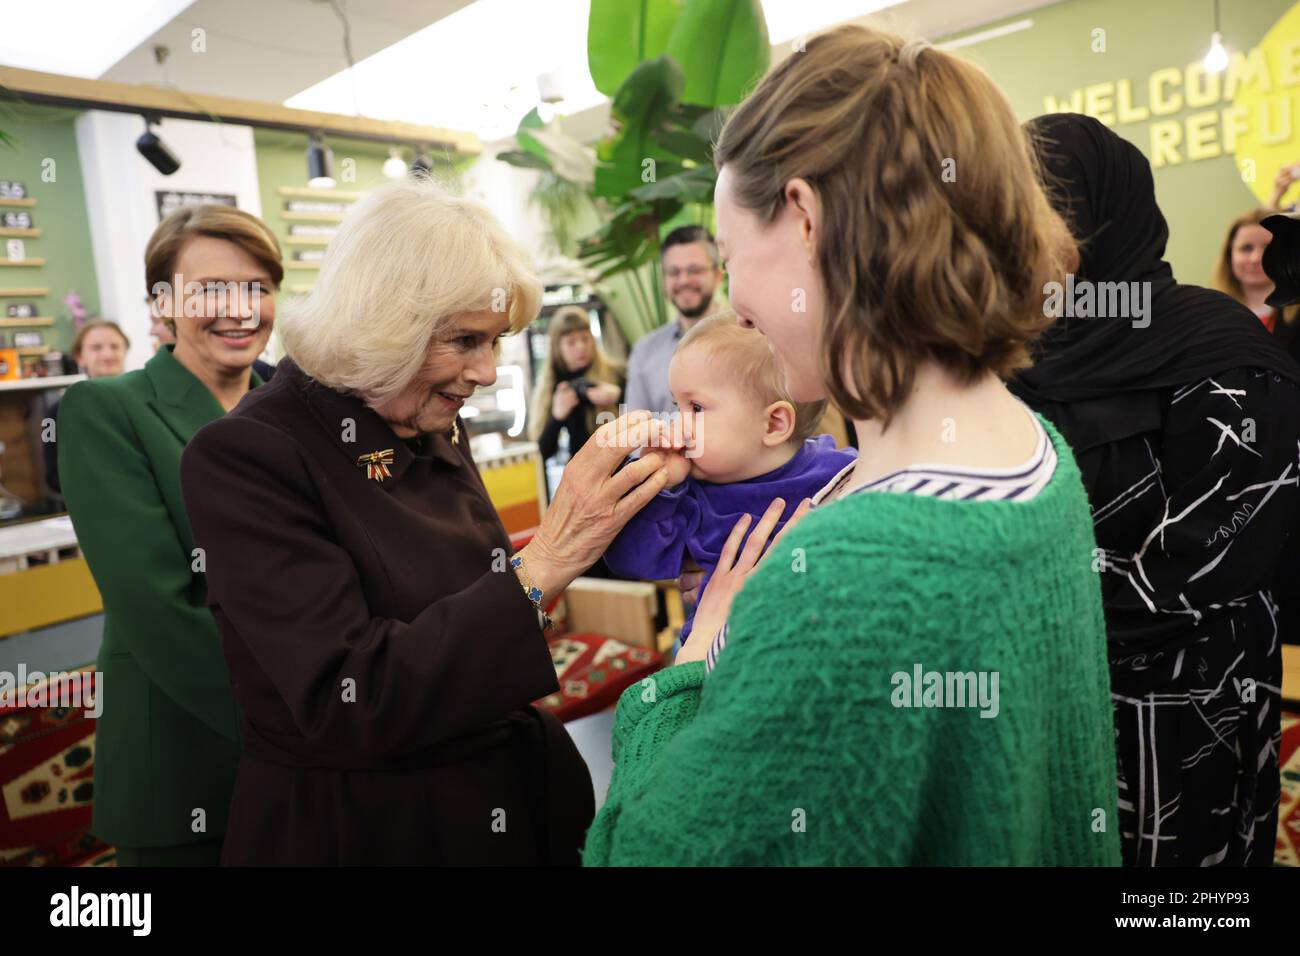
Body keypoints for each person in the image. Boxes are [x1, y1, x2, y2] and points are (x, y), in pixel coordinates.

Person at [583, 25, 1121, 866]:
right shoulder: (1033, 447)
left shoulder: (854, 577)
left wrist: (685, 668)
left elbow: (643, 851)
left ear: (805, 219)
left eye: (730, 259)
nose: (734, 303)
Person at [179, 178, 679, 866]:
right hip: (368, 831)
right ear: (383, 321)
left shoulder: (424, 418)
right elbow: (350, 697)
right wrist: (547, 562)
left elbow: (472, 604)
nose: (486, 372)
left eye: (497, 341)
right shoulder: (248, 456)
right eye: (465, 340)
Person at [1014, 113, 1300, 866]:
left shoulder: (1223, 349)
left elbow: (1202, 566)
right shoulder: (1007, 354)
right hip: (1037, 714)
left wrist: (1003, 597)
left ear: (1098, 212)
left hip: (1187, 725)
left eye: (1043, 204)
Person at [57, 204, 281, 866]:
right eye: (210, 288)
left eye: (258, 288)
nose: (239, 309)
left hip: (326, 765)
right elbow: (161, 610)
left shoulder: (301, 406)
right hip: (192, 756)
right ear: (163, 302)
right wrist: (318, 723)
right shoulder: (107, 410)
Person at [604, 313, 855, 646]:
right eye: (676, 405)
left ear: (774, 424)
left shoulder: (842, 476)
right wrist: (663, 488)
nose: (677, 423)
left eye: (696, 407)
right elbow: (629, 559)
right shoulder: (691, 497)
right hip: (716, 662)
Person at [624, 225, 725, 416]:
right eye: (673, 272)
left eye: (694, 270)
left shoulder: (750, 337)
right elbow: (634, 434)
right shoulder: (645, 352)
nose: (683, 280)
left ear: (718, 275)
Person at [44, 320, 130, 494]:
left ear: (125, 351)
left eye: (114, 346)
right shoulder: (52, 416)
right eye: (96, 348)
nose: (107, 354)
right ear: (80, 357)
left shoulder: (148, 401)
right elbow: (52, 475)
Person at [529, 305, 624, 462]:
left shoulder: (617, 374)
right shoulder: (553, 387)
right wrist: (556, 417)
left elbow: (648, 419)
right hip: (583, 475)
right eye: (571, 342)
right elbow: (542, 452)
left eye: (585, 339)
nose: (581, 347)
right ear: (557, 348)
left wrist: (620, 396)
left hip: (622, 467)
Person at [1212, 207, 1300, 361]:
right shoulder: (1211, 316)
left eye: (1267, 248)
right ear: (1229, 255)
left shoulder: (1296, 319)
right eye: (1246, 248)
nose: (1256, 258)